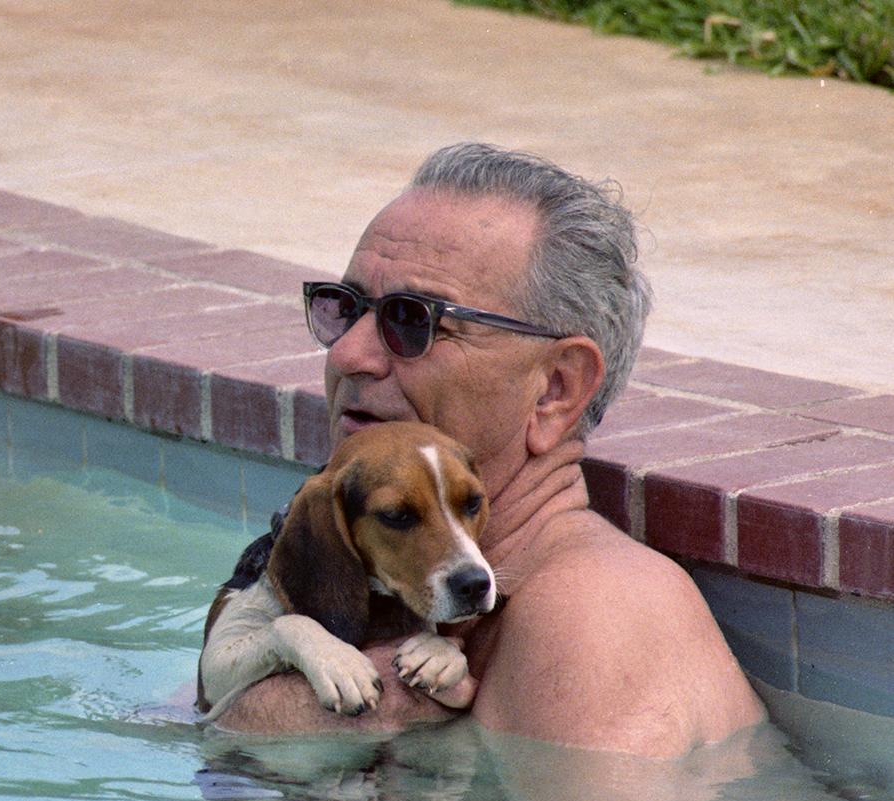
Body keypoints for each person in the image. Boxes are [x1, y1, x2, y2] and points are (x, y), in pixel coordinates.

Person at [199, 142, 765, 758]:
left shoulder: (592, 618)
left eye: (414, 320)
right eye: (348, 308)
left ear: (555, 388)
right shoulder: (368, 579)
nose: (347, 355)